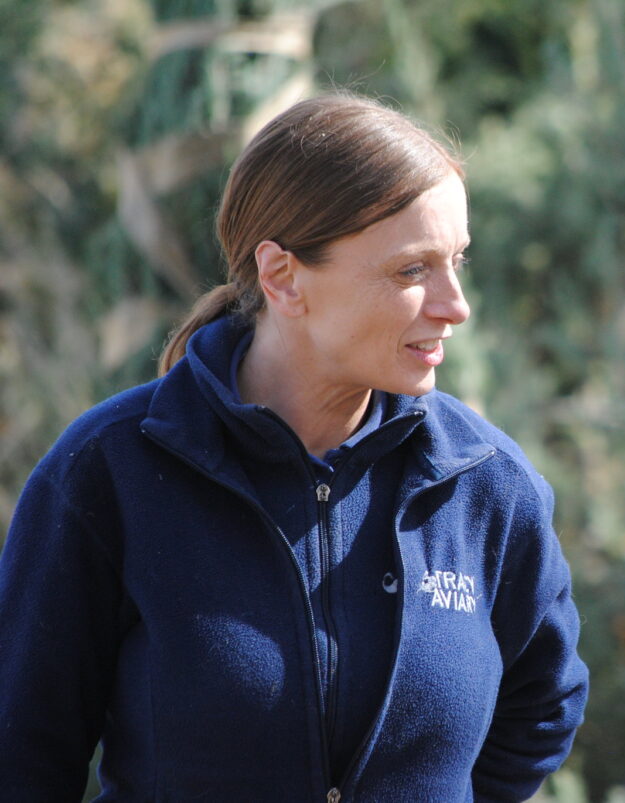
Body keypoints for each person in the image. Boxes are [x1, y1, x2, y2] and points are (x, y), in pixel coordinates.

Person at [0, 92, 588, 801]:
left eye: (457, 260)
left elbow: (543, 708)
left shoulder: (489, 486)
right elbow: (22, 751)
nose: (454, 303)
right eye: (412, 270)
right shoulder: (106, 473)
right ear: (282, 275)